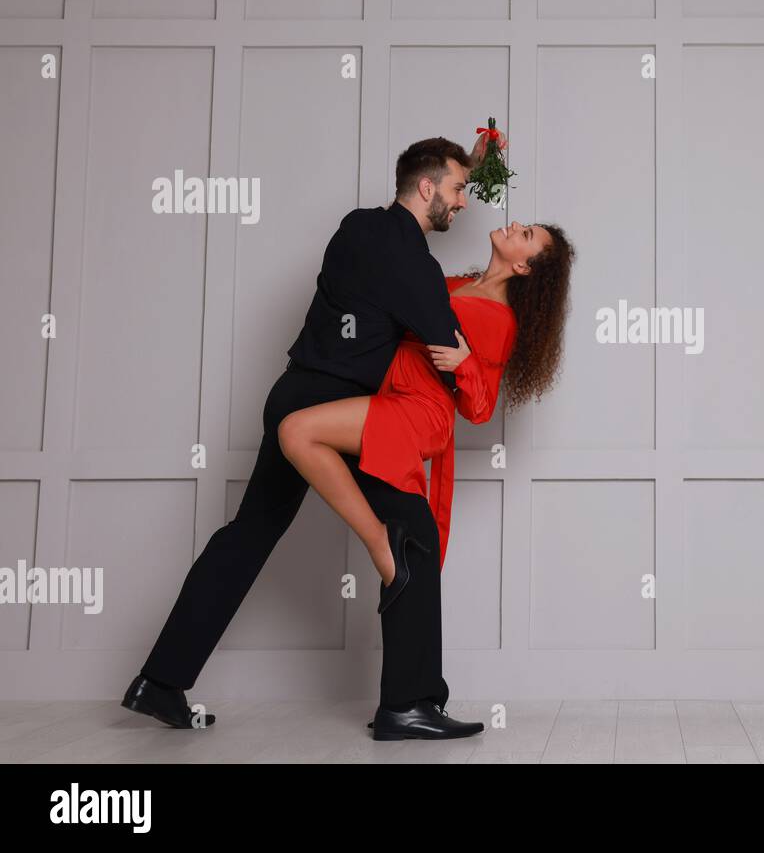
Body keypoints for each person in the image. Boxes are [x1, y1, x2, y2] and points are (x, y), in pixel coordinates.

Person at [122, 134, 498, 740]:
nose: (462, 204)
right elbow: (445, 344)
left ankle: (159, 681)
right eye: (456, 191)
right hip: (337, 410)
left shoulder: (354, 226)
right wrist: (471, 355)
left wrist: (470, 164)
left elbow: (389, 289)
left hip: (291, 392)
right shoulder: (415, 263)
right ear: (425, 188)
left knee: (246, 535)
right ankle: (410, 705)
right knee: (413, 537)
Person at [276, 221, 574, 611]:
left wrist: (465, 364)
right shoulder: (451, 283)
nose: (516, 226)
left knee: (297, 432)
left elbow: (480, 410)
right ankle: (387, 549)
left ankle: (382, 548)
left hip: (421, 410)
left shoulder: (500, 319)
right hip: (391, 390)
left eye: (526, 236)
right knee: (295, 431)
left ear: (523, 267)